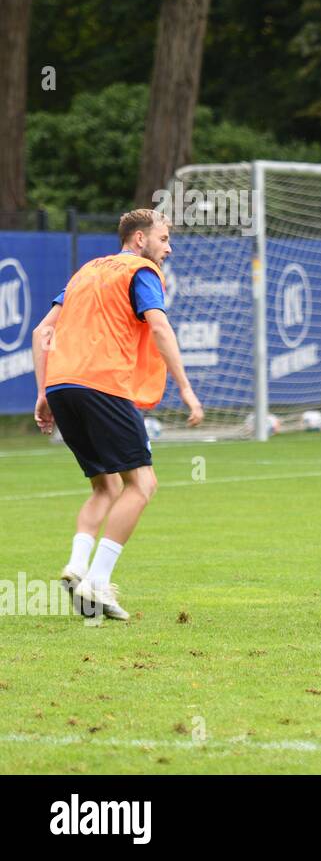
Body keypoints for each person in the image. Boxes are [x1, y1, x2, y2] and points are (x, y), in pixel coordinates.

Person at [32, 209, 204, 621]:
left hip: (63, 386)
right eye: (164, 239)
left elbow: (42, 332)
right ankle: (97, 581)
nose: (169, 247)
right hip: (103, 385)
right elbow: (159, 328)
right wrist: (185, 387)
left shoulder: (86, 271)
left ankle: (77, 566)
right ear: (140, 239)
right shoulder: (140, 271)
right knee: (143, 484)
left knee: (105, 488)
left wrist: (43, 393)